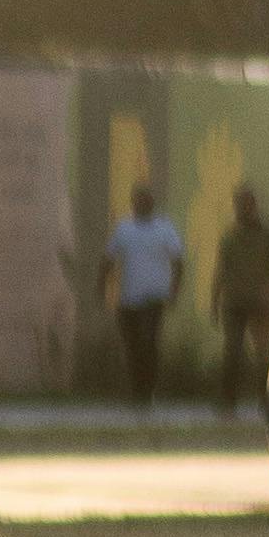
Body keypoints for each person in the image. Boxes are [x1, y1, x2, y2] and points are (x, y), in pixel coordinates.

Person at [100, 177, 186, 417]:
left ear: (152, 203)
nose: (142, 204)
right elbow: (108, 260)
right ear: (133, 203)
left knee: (148, 344)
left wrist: (174, 290)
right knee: (133, 345)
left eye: (146, 200)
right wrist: (102, 287)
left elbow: (178, 262)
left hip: (154, 297)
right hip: (128, 299)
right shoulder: (124, 229)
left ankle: (147, 391)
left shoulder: (165, 228)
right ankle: (137, 390)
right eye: (138, 200)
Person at [211, 182, 269, 417]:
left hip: (259, 302)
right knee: (232, 351)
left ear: (253, 206)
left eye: (246, 204)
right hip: (233, 302)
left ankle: (266, 399)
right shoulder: (229, 237)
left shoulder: (268, 235)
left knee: (264, 353)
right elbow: (221, 271)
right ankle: (228, 401)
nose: (242, 209)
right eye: (239, 204)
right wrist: (214, 301)